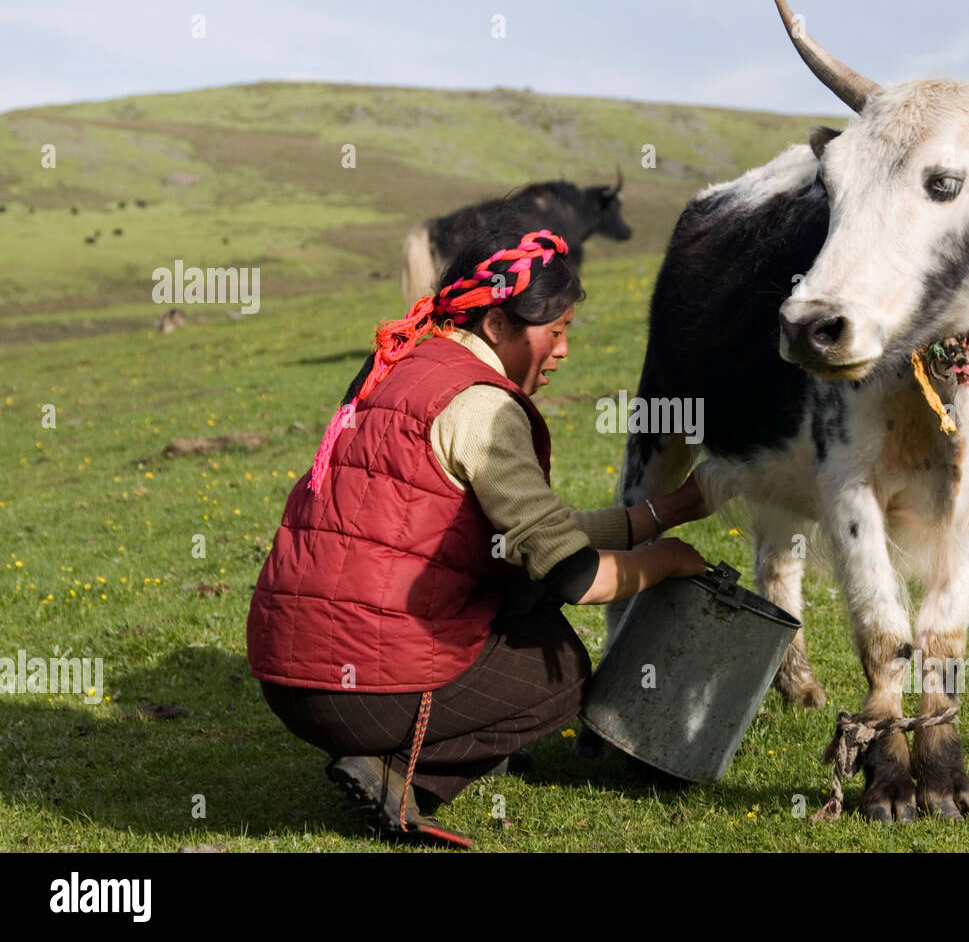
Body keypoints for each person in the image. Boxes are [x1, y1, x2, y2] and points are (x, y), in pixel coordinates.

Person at [245, 222, 712, 848]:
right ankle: (398, 770)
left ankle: (398, 747)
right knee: (561, 673)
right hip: (356, 692)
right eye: (557, 331)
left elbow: (538, 535)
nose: (565, 350)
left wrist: (666, 511)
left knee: (519, 585)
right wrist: (666, 562)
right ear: (497, 327)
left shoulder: (401, 363)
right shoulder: (482, 407)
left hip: (285, 674)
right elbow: (575, 575)